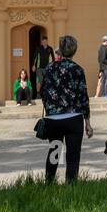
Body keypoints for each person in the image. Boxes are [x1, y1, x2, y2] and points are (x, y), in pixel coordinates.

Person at [39, 34, 93, 183]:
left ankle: (49, 182)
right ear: (74, 50)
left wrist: (50, 108)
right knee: (73, 155)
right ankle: (71, 185)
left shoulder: (49, 68)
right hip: (73, 119)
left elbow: (43, 92)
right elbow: (83, 97)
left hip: (53, 119)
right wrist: (87, 122)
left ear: (60, 50)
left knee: (55, 151)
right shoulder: (78, 70)